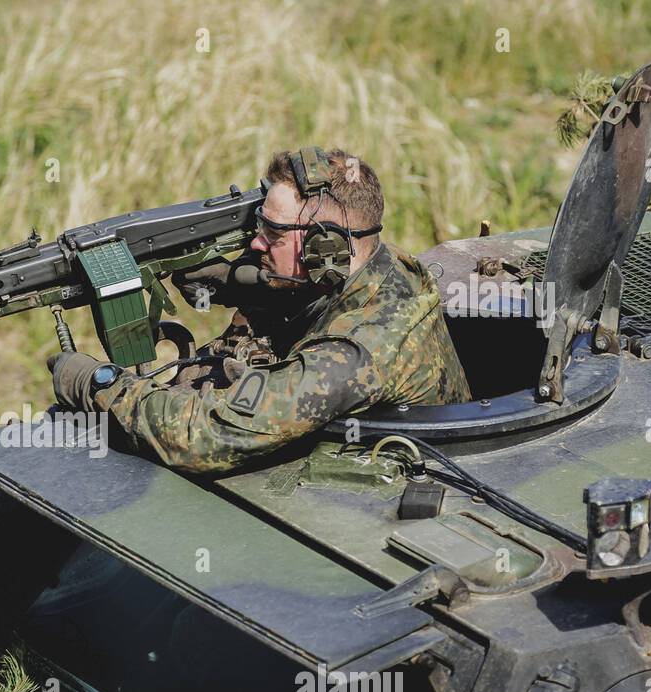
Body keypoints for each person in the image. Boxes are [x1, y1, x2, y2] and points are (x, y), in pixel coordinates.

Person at [47, 147, 471, 476]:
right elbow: (309, 290)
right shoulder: (378, 264)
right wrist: (236, 281)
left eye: (273, 233)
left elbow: (200, 438)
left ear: (327, 246)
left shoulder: (360, 352)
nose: (256, 243)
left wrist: (95, 382)